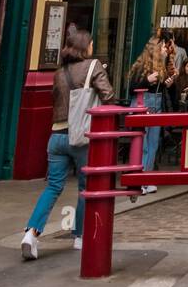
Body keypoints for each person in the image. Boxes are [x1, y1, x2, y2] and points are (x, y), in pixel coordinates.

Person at [21, 29, 115, 259]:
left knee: (53, 186)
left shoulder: (59, 72)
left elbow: (55, 100)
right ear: (85, 46)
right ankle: (80, 236)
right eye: (91, 43)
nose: (92, 46)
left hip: (57, 136)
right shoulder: (93, 66)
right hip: (81, 136)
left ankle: (31, 233)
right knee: (85, 187)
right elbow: (108, 95)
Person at [128, 35, 169, 194]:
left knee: (153, 144)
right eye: (163, 47)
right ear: (156, 50)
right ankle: (139, 179)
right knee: (142, 145)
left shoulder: (162, 66)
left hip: (156, 106)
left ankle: (147, 177)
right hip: (143, 105)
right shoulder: (141, 66)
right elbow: (131, 88)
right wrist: (147, 80)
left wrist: (168, 83)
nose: (166, 49)